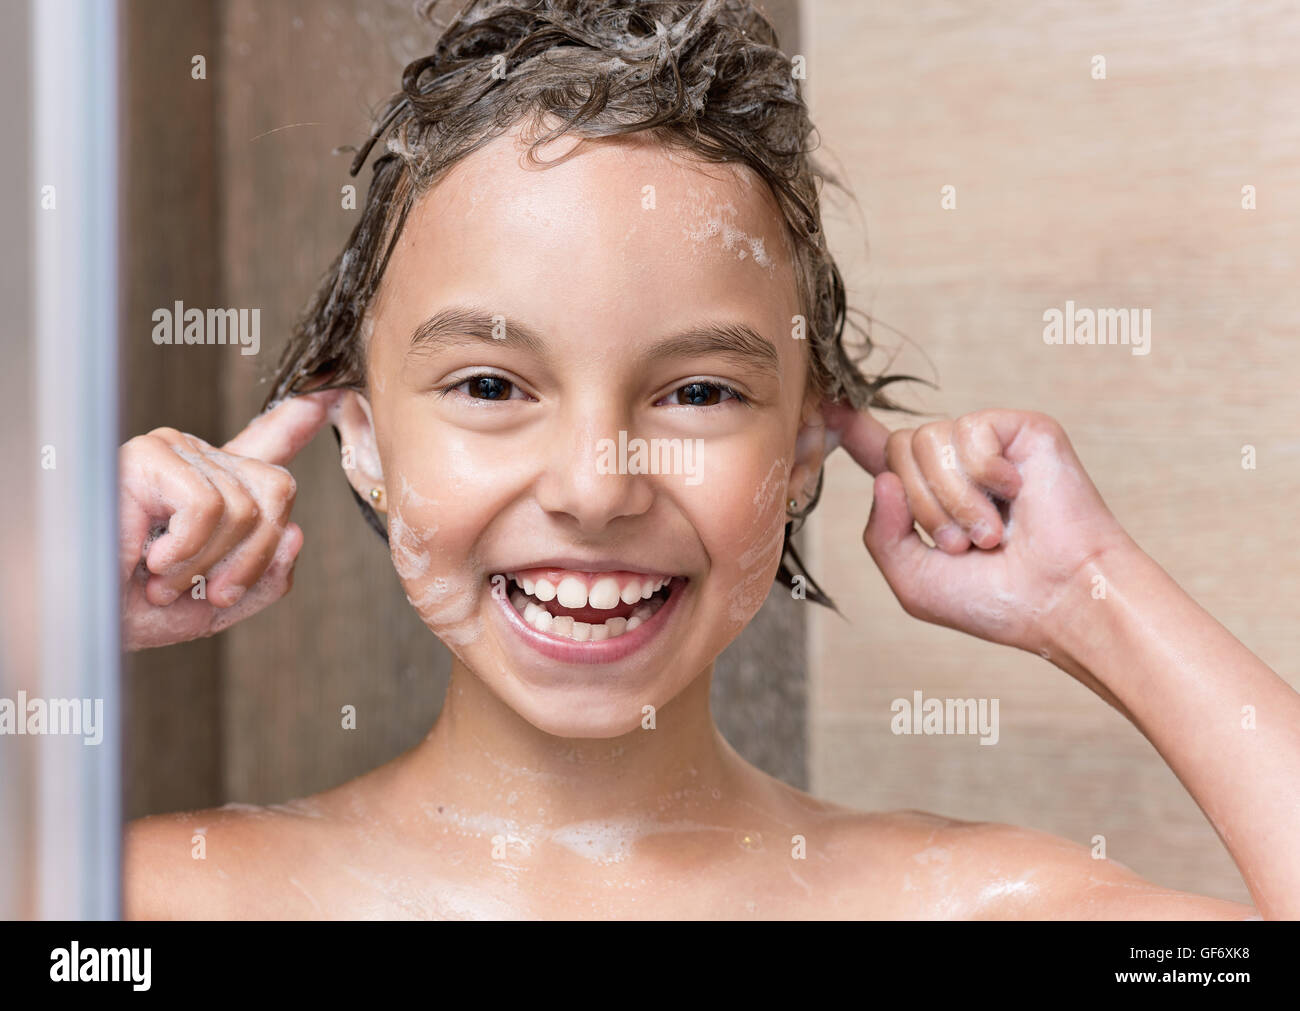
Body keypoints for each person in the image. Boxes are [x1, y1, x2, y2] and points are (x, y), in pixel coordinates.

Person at [120, 0, 1292, 919]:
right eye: (490, 386)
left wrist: (1090, 598)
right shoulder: (145, 905)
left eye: (696, 391)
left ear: (799, 451)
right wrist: (51, 610)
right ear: (362, 437)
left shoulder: (961, 909)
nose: (595, 487)